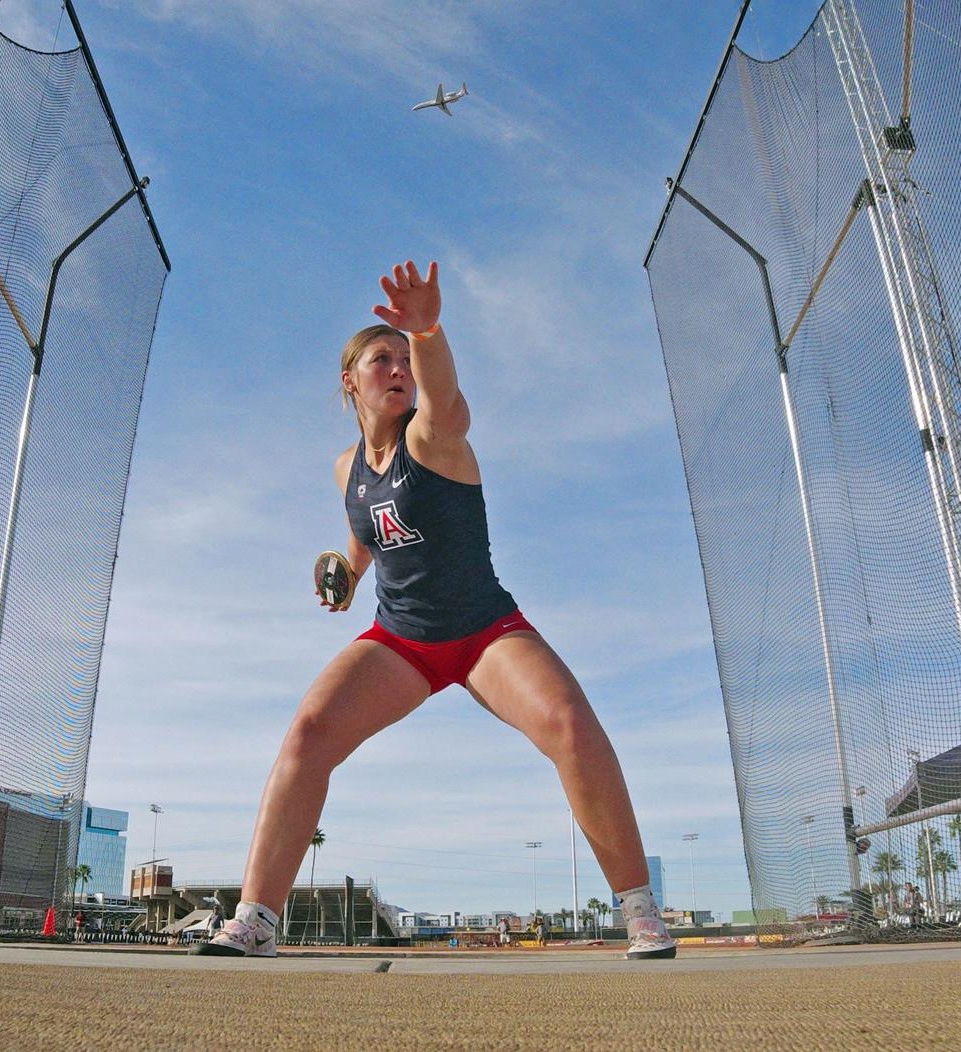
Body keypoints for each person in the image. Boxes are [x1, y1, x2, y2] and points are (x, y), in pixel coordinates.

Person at [196, 261, 675, 961]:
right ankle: (256, 919)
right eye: (379, 358)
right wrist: (347, 574)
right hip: (401, 640)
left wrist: (424, 328)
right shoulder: (345, 467)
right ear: (349, 381)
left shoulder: (432, 436)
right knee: (308, 732)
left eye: (403, 359)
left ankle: (639, 911)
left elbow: (446, 399)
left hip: (484, 632)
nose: (397, 369)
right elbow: (366, 533)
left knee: (571, 726)